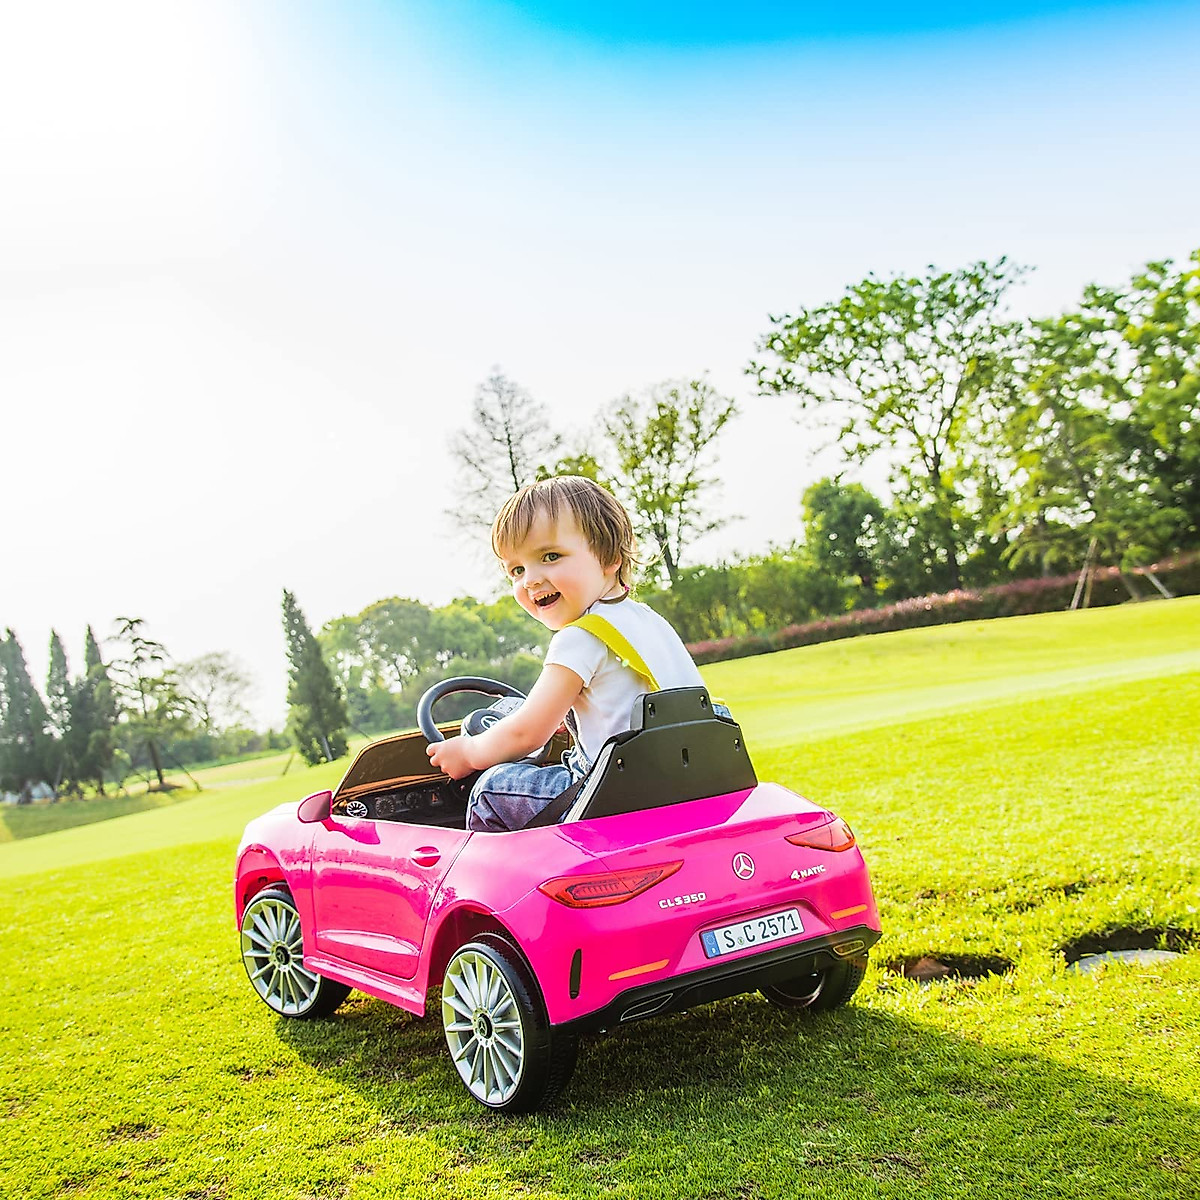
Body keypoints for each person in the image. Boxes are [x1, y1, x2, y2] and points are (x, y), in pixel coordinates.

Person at [427, 475, 711, 831]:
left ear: (608, 556)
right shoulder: (650, 622)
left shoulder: (580, 637)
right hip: (683, 784)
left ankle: (505, 868)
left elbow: (525, 734)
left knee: (490, 790)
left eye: (550, 556)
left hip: (611, 797)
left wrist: (467, 753)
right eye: (517, 569)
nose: (530, 580)